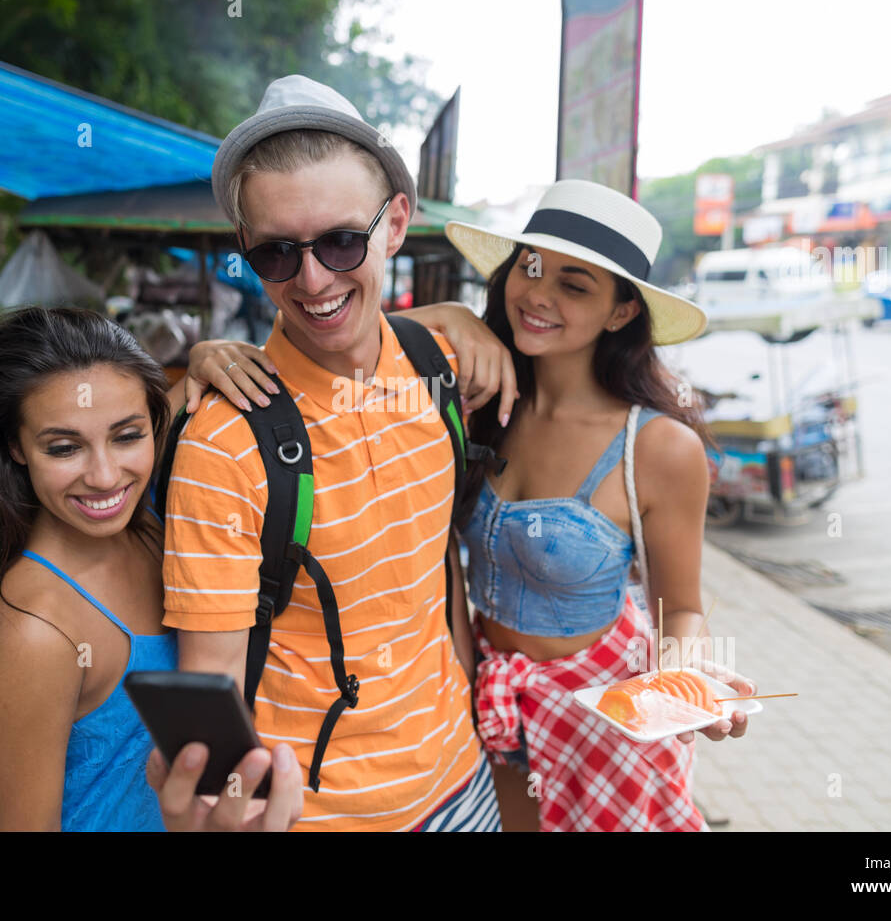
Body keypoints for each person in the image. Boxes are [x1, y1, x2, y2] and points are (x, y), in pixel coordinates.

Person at [195, 180, 756, 832]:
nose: (539, 295)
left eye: (575, 286)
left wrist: (684, 684)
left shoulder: (658, 447)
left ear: (621, 313)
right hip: (487, 707)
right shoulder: (474, 396)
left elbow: (680, 607)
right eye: (531, 267)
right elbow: (343, 328)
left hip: (608, 723)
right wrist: (216, 356)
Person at [159, 74, 505, 831]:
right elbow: (212, 682)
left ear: (396, 223)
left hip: (462, 779)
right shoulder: (224, 442)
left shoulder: (439, 366)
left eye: (343, 241)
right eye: (276, 254)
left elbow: (438, 568)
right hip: (316, 816)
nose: (313, 281)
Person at [0, 307, 302, 831]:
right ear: (14, 446)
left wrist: (203, 357)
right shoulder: (33, 627)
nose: (106, 476)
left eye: (127, 437)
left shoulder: (149, 517)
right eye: (64, 448)